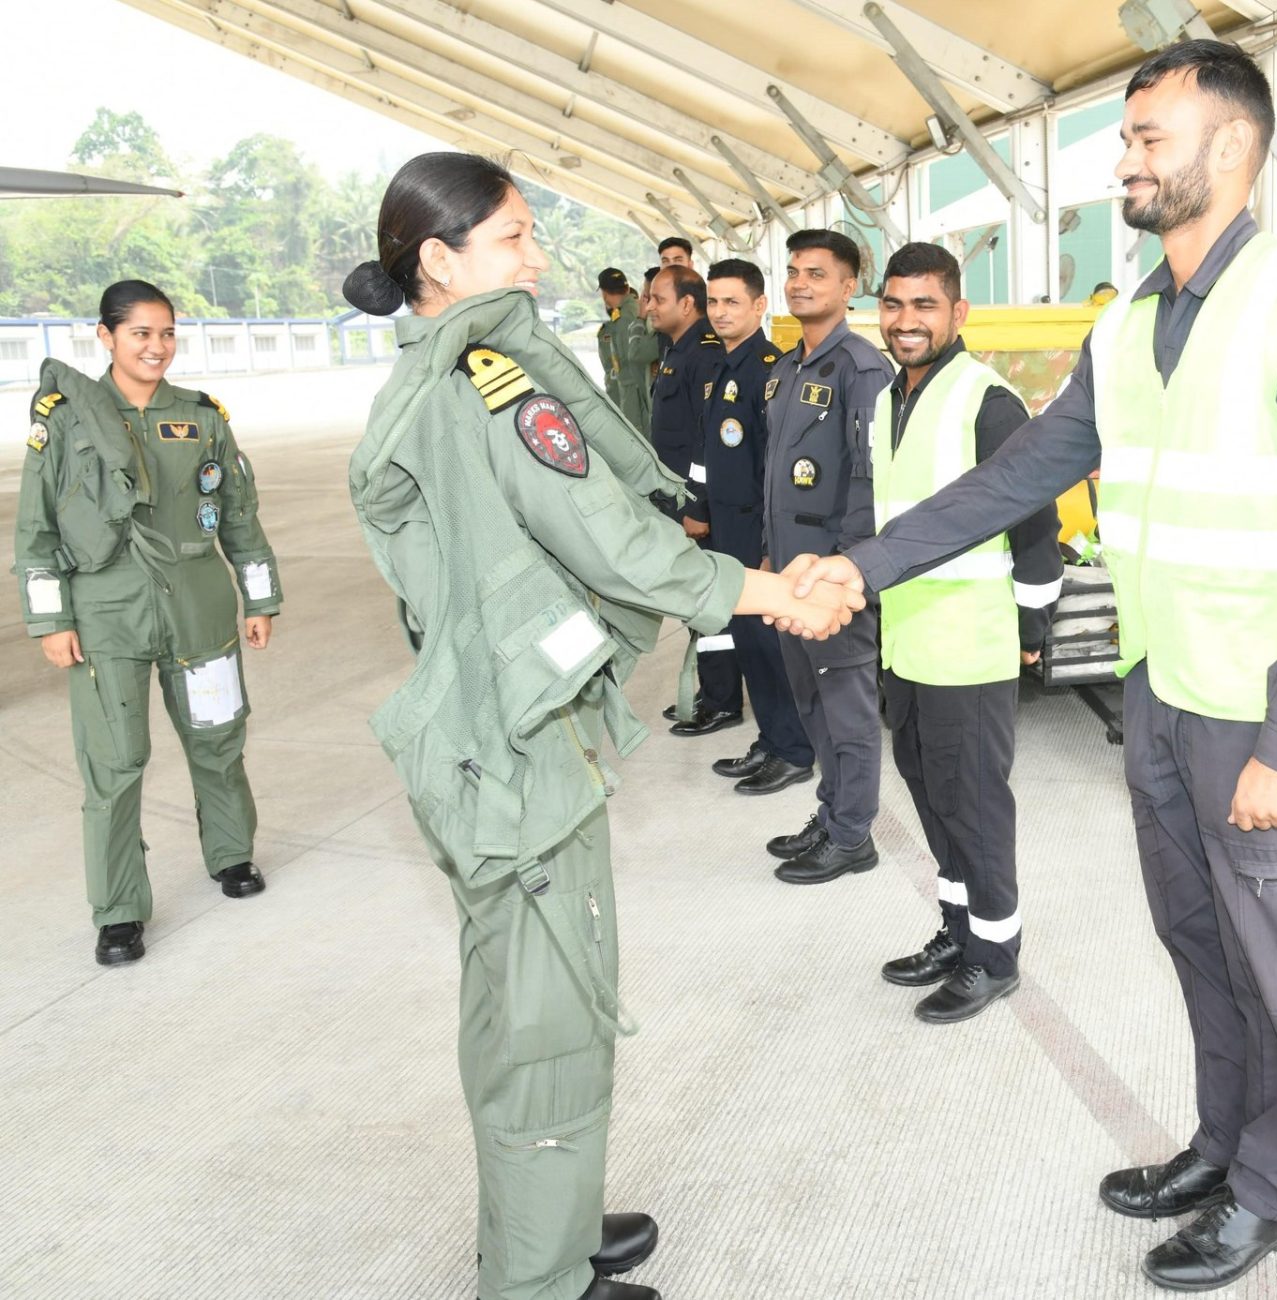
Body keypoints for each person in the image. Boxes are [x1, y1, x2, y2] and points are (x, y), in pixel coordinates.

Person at [788, 40, 1277, 1292]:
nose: (1125, 158)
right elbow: (1018, 476)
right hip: (1161, 689)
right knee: (1193, 935)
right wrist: (868, 563)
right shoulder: (1134, 325)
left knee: (1274, 965)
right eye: (1124, 138)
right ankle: (1219, 1144)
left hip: (1255, 713)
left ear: (1231, 148)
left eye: (1148, 137)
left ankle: (1268, 1192)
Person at [340, 152, 861, 1300]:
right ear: (439, 258)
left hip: (500, 734)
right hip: (513, 753)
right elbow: (604, 536)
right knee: (546, 1016)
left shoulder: (433, 375)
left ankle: (551, 1227)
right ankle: (539, 1281)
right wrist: (772, 590)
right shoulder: (485, 376)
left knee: (532, 1000)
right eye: (516, 236)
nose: (538, 256)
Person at [13, 279, 281, 967]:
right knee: (114, 765)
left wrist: (259, 598)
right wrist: (50, 618)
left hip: (199, 603)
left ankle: (231, 856)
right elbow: (35, 526)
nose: (156, 346)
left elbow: (240, 514)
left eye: (166, 333)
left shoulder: (200, 415)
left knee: (217, 740)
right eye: (140, 333)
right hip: (107, 613)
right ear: (105, 336)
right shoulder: (65, 418)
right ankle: (119, 912)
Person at [867, 242, 1061, 1023]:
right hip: (908, 644)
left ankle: (994, 955)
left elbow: (1036, 521)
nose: (906, 321)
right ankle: (956, 929)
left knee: (975, 804)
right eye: (894, 304)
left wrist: (1033, 623)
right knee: (931, 796)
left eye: (923, 306)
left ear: (957, 313)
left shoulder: (987, 401)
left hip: (970, 648)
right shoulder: (888, 399)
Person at [761, 229, 893, 885]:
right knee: (811, 702)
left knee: (847, 710)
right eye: (792, 271)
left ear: (848, 287)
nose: (800, 283)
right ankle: (831, 810)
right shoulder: (788, 369)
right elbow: (777, 479)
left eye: (817, 273)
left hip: (834, 578)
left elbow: (872, 480)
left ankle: (852, 835)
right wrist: (766, 558)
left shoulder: (861, 369)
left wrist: (848, 570)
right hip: (789, 573)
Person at [690, 258, 815, 794]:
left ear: (760, 306)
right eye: (713, 302)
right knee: (745, 638)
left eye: (731, 302)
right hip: (724, 526)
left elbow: (774, 469)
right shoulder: (721, 365)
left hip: (755, 533)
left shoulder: (767, 368)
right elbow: (710, 454)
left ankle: (794, 749)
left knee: (768, 643)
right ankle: (771, 737)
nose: (719, 312)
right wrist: (697, 508)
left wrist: (768, 544)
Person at [643, 265, 740, 737]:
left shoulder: (702, 356)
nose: (648, 307)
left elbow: (707, 441)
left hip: (697, 506)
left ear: (687, 304)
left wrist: (695, 507)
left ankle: (723, 700)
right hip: (681, 500)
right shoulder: (677, 351)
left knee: (708, 601)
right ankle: (712, 689)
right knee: (695, 603)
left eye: (657, 298)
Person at [595, 267, 659, 439]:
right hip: (635, 390)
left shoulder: (624, 318)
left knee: (639, 440)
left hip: (634, 392)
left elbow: (630, 362)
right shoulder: (628, 311)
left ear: (604, 293)